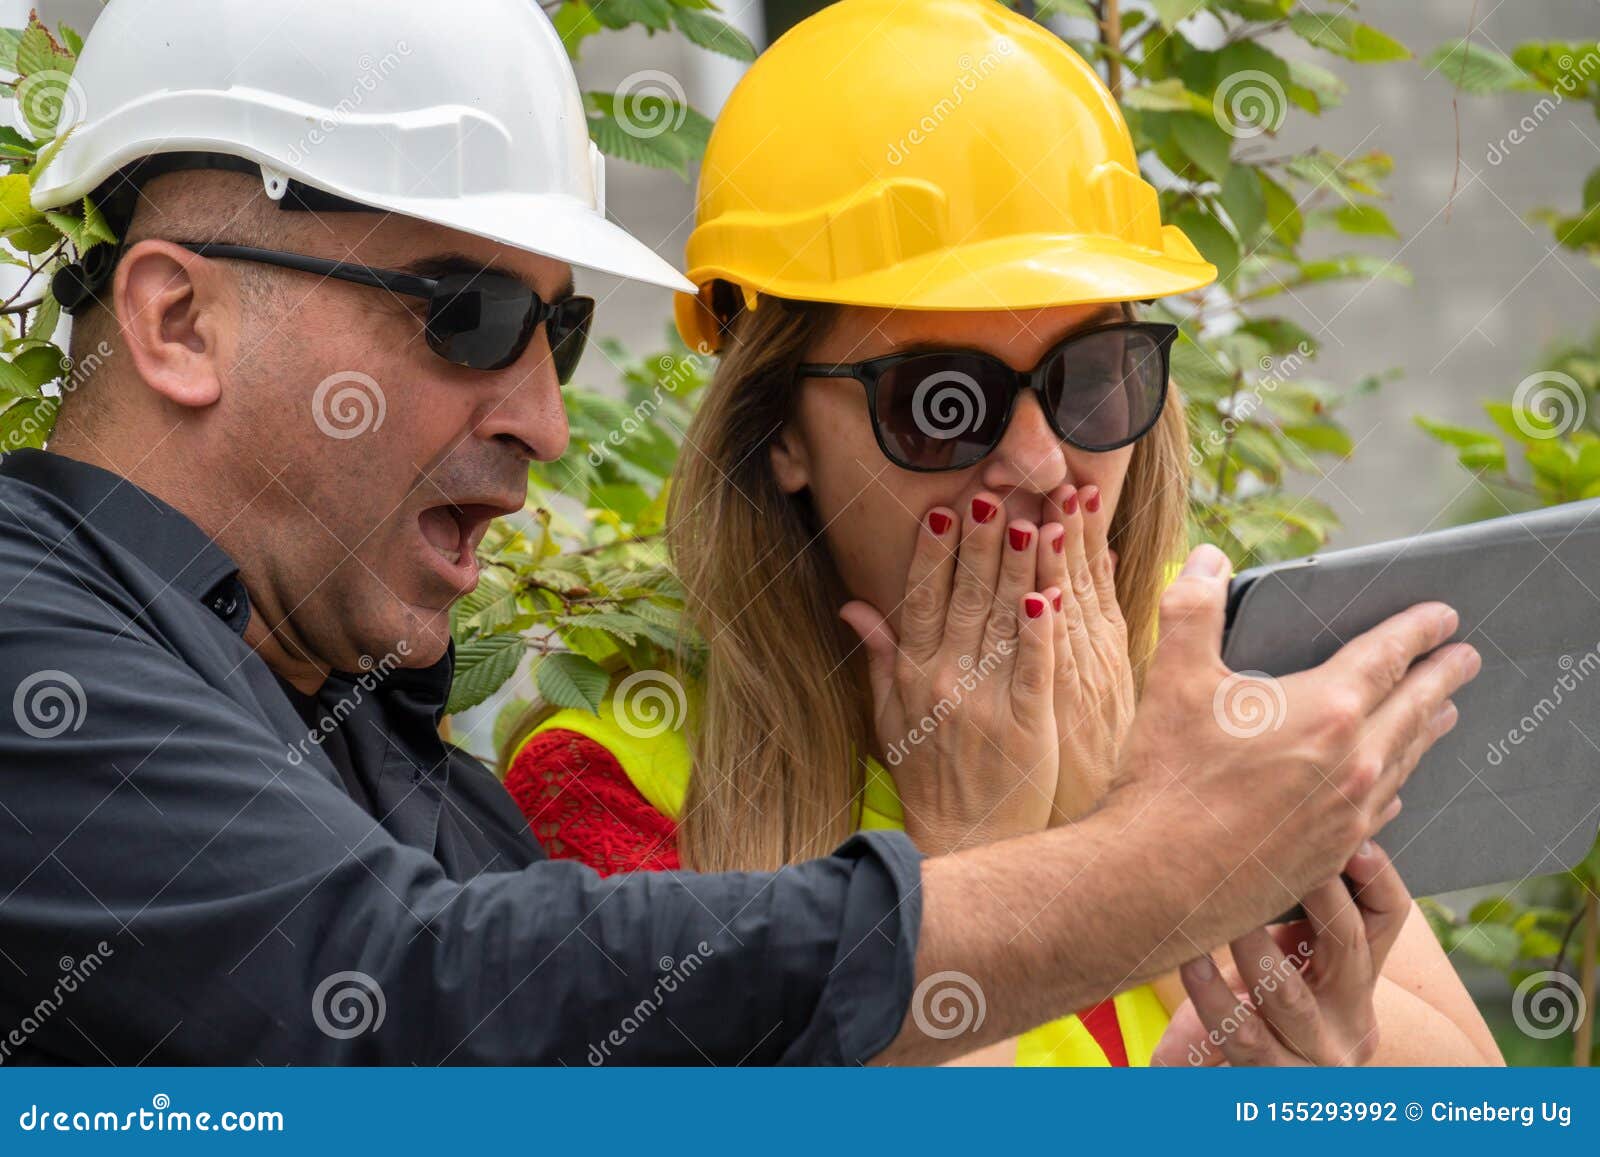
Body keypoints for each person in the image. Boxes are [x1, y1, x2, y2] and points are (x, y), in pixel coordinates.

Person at [0, 0, 1478, 1066]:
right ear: (179, 317)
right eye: (471, 313)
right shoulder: (34, 634)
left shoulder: (402, 774)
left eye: (560, 331)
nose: (545, 415)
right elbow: (420, 1001)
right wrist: (1162, 866)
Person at [504, 0, 1501, 1066]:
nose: (1037, 464)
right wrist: (988, 862)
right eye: (941, 399)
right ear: (779, 426)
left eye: (1089, 380)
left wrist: (1266, 1049)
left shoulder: (1208, 680)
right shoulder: (610, 778)